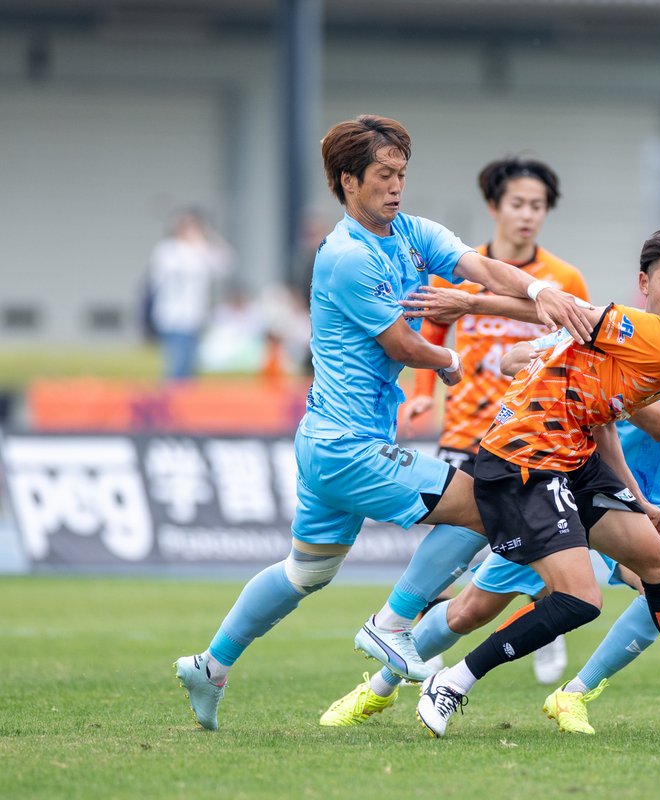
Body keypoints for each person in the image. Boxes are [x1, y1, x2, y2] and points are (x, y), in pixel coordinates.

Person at [173, 114, 591, 731]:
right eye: (383, 174)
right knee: (492, 503)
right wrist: (451, 362)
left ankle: (210, 665)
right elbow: (401, 343)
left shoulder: (413, 232)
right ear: (348, 180)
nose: (397, 185)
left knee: (306, 571)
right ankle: (392, 623)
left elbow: (480, 267)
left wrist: (536, 292)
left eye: (401, 173)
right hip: (347, 447)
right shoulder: (347, 256)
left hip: (329, 440)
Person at [319, 228, 660, 734]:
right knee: (471, 610)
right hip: (552, 474)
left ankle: (579, 692)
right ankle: (379, 686)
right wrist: (558, 366)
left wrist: (601, 380)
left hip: (619, 489)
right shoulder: (614, 330)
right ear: (645, 282)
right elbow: (513, 359)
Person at [412, 265, 660, 738]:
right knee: (576, 599)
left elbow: (604, 422)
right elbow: (570, 311)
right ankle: (451, 682)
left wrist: (641, 503)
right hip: (526, 456)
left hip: (575, 457)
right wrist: (475, 303)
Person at [400, 156, 590, 688]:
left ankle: (546, 624)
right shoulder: (461, 271)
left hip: (532, 440)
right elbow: (431, 332)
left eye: (538, 206)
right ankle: (422, 646)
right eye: (518, 204)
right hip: (466, 433)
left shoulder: (563, 279)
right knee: (447, 553)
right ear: (494, 206)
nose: (527, 215)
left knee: (540, 541)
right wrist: (422, 393)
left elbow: (581, 345)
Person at [147, 209, 233, 380]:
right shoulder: (168, 250)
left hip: (195, 315)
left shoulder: (202, 249)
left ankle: (183, 395)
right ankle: (172, 394)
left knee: (190, 364)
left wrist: (209, 237)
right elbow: (163, 276)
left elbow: (227, 264)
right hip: (173, 314)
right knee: (178, 362)